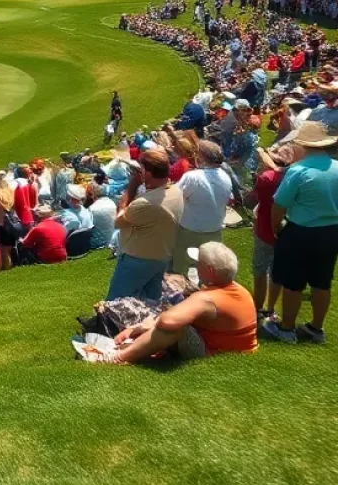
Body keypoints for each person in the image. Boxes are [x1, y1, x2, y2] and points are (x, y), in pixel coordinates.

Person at [95, 242, 257, 364]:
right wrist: (134, 330)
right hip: (236, 351)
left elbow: (168, 322)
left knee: (175, 328)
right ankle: (134, 346)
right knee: (170, 318)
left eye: (198, 263)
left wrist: (146, 326)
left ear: (210, 271)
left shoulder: (207, 298)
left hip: (217, 353)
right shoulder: (239, 291)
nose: (195, 265)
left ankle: (118, 358)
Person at [262, 122, 338, 345]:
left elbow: (279, 205)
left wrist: (276, 228)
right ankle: (316, 327)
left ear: (303, 145)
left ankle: (286, 328)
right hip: (331, 233)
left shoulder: (299, 170)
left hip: (300, 232)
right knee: (322, 282)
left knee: (292, 283)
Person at [106, 147, 182, 301]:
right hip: (161, 256)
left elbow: (118, 221)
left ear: (147, 173)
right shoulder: (176, 191)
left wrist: (132, 186)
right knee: (151, 300)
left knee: (116, 301)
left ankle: (110, 325)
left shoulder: (145, 203)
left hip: (137, 259)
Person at [171, 140, 232, 273]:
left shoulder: (192, 177)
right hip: (214, 229)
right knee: (209, 269)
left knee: (182, 268)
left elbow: (173, 197)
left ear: (201, 156)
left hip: (189, 230)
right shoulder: (226, 177)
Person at [246, 147, 288, 321]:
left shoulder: (267, 178)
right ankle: (270, 309)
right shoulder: (293, 176)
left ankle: (257, 307)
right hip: (285, 231)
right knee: (277, 272)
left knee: (260, 270)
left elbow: (254, 200)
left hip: (264, 229)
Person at [88, 183, 117, 250]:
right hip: (111, 240)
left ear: (94, 193)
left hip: (97, 243)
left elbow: (88, 227)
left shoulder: (92, 208)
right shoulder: (112, 204)